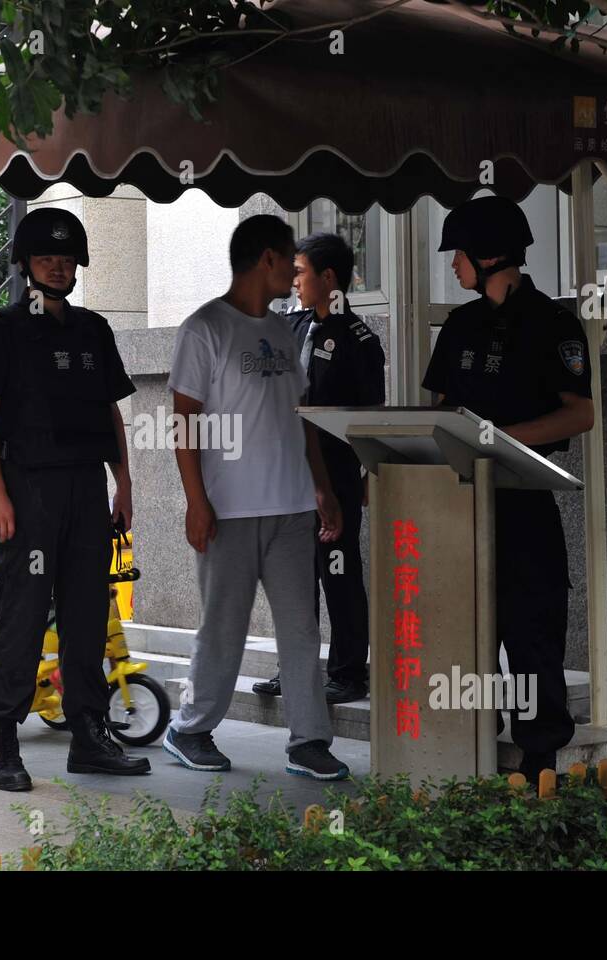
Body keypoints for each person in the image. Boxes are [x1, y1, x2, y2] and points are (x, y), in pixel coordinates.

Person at [0, 207, 150, 792]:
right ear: (25, 264)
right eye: (47, 257)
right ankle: (3, 742)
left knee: (88, 614)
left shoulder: (94, 330)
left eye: (67, 259)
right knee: (21, 617)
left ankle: (91, 735)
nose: (59, 266)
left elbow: (111, 412)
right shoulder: (1, 330)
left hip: (86, 491)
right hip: (27, 490)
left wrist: (124, 482)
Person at [163, 214, 351, 781]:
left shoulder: (282, 331)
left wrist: (322, 488)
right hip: (229, 512)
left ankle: (309, 741)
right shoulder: (204, 329)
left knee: (301, 629)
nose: (294, 273)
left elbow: (302, 419)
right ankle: (191, 728)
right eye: (288, 259)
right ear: (265, 258)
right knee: (224, 625)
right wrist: (197, 503)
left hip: (292, 508)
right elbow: (185, 424)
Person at [422, 194, 594, 781]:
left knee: (531, 628)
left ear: (489, 255)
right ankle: (470, 742)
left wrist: (501, 440)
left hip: (523, 504)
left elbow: (579, 414)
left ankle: (541, 758)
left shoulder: (552, 323)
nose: (452, 266)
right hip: (463, 502)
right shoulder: (461, 324)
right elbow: (439, 411)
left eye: (459, 255)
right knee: (466, 627)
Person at [252, 232, 386, 705]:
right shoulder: (290, 326)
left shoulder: (359, 339)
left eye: (300, 272)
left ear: (328, 278)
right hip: (286, 475)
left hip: (336, 473)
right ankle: (296, 668)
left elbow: (370, 416)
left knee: (339, 568)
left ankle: (349, 671)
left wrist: (367, 476)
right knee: (292, 575)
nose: (293, 281)